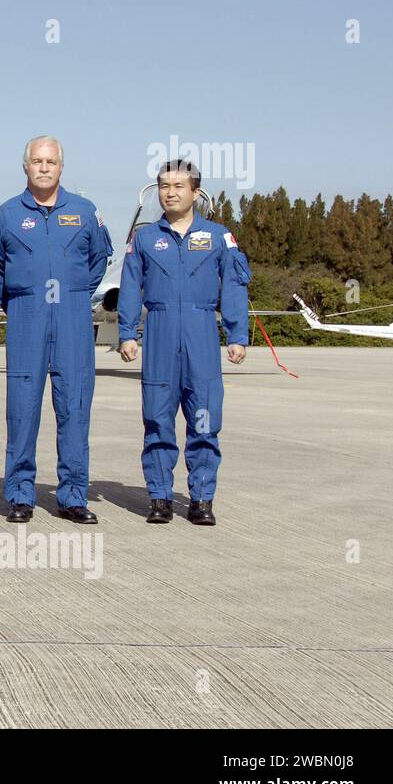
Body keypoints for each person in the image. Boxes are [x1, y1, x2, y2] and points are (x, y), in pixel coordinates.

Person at [0, 136, 113, 524]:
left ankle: (73, 496)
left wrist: (74, 294)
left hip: (72, 318)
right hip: (27, 318)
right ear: (25, 166)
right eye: (37, 161)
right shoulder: (5, 215)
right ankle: (20, 494)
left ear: (61, 167)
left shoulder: (85, 212)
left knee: (74, 408)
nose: (44, 167)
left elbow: (98, 261)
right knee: (22, 410)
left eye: (50, 161)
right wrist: (21, 301)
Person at [117, 159, 250, 525]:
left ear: (195, 192)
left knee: (205, 418)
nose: (170, 193)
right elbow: (130, 287)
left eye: (178, 186)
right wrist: (128, 333)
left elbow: (234, 286)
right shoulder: (144, 239)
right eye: (164, 186)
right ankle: (159, 497)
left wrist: (237, 335)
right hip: (159, 332)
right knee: (157, 418)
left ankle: (201, 499)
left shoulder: (219, 237)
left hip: (201, 331)